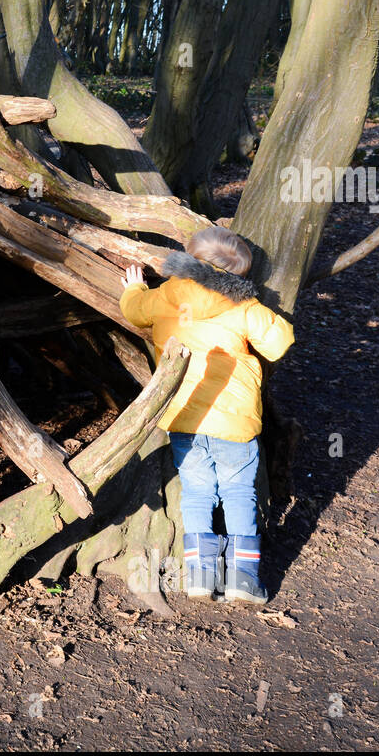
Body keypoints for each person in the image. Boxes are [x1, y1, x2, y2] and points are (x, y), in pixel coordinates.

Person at [120, 227, 294, 604]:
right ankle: (243, 578)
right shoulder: (243, 305)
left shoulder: (167, 294)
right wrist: (259, 307)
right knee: (239, 493)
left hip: (185, 416)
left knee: (197, 493)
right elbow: (280, 344)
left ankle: (199, 575)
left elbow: (134, 312)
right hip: (235, 421)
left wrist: (133, 288)